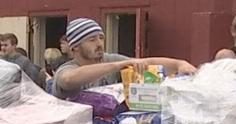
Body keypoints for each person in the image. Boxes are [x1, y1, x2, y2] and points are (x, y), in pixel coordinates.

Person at [51, 18, 195, 99]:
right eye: (92, 40)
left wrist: (179, 64)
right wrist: (119, 65)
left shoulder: (111, 59)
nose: (99, 43)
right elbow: (68, 79)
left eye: (101, 38)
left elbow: (146, 63)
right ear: (75, 46)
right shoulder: (67, 68)